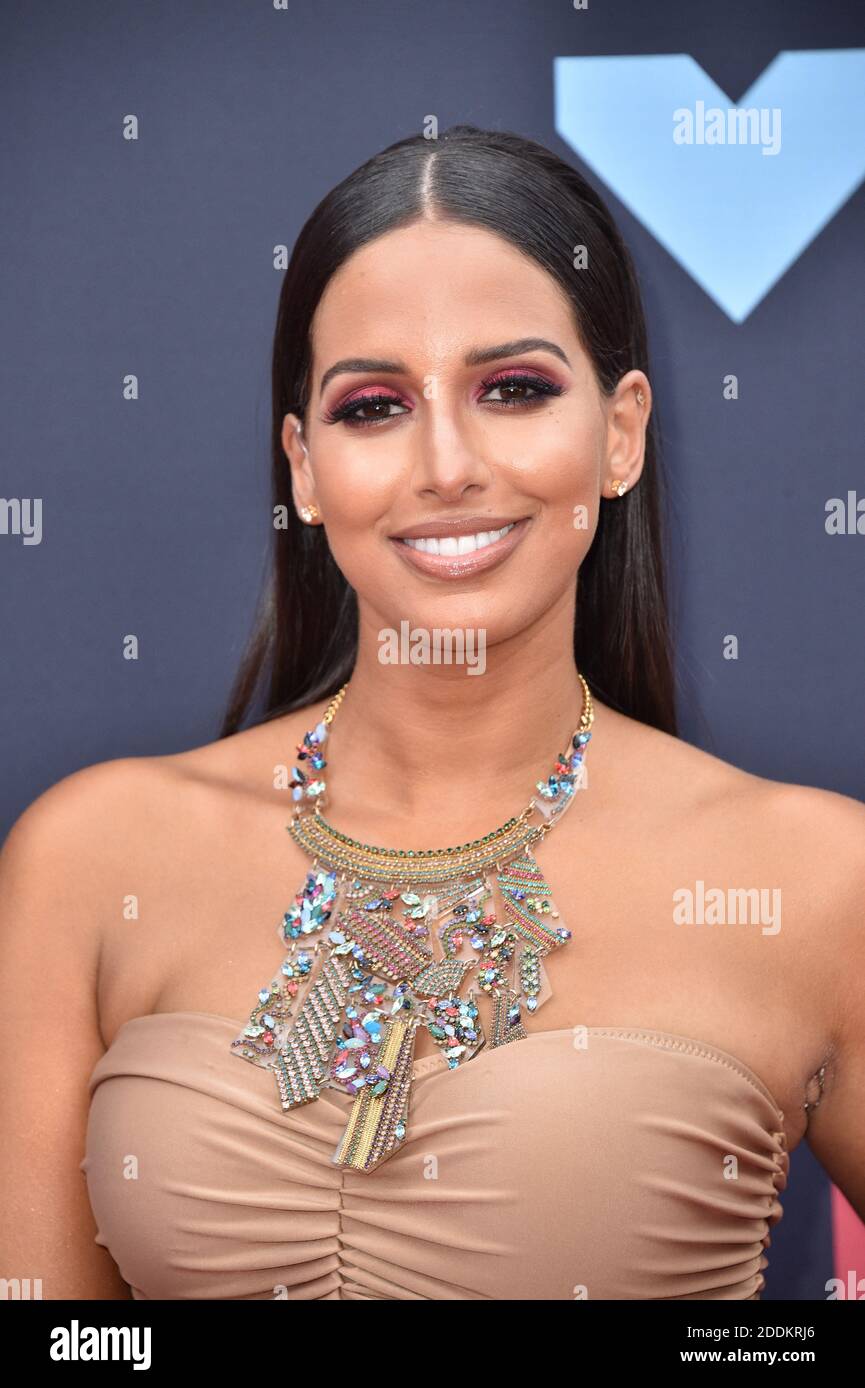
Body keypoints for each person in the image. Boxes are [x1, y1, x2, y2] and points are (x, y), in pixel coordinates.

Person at [1, 126, 863, 1301]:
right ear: (302, 468)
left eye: (512, 389)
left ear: (619, 432)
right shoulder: (90, 857)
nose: (446, 462)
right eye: (373, 406)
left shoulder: (812, 879)